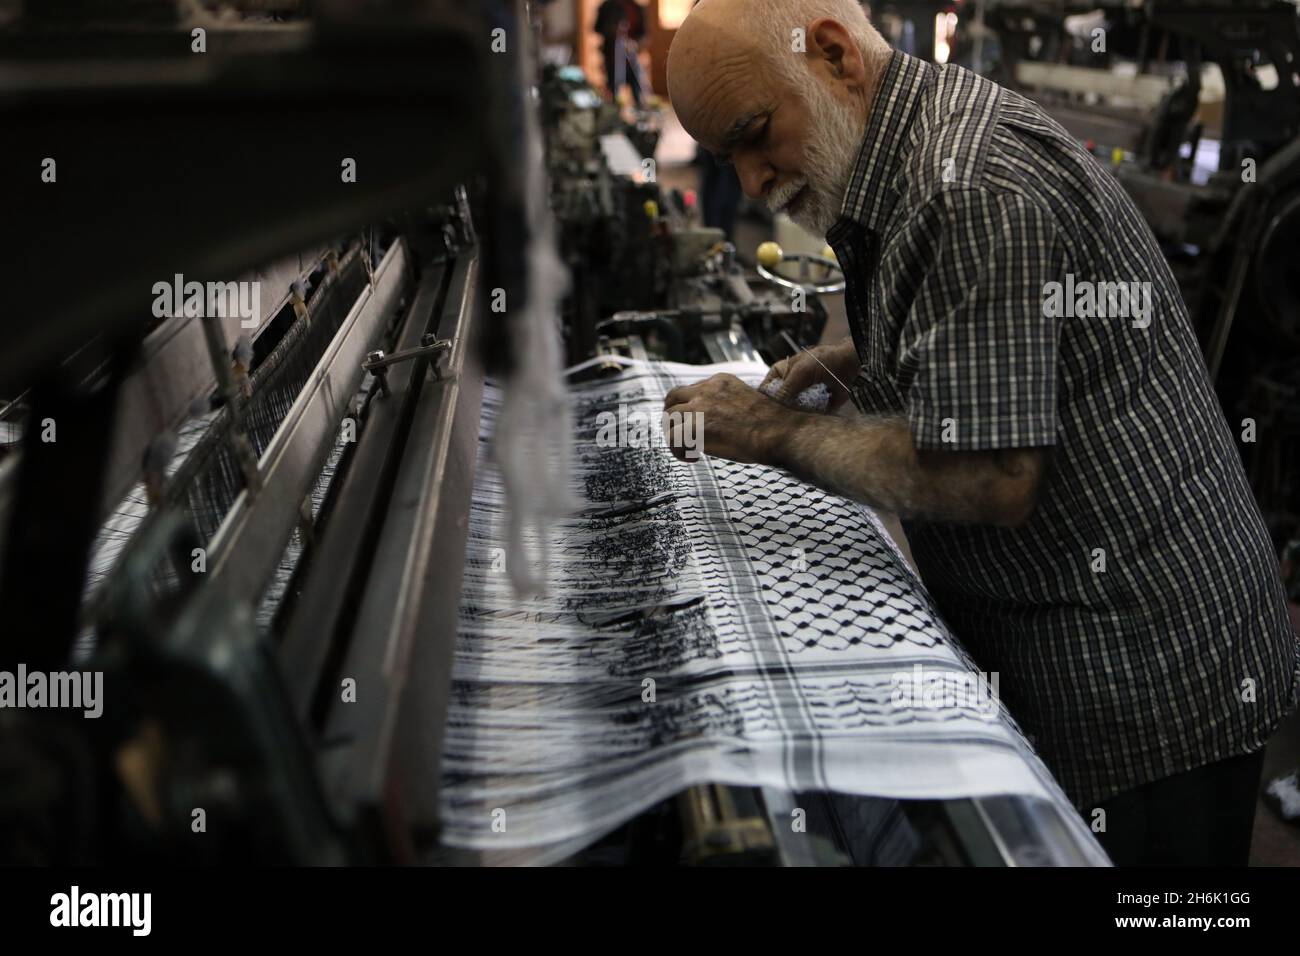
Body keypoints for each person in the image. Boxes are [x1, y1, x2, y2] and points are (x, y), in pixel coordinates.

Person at [662, 0, 1300, 866]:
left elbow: (990, 474)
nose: (749, 182)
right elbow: (993, 317)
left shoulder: (966, 184)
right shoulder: (914, 138)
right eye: (726, 156)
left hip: (1141, 668)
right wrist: (866, 355)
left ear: (834, 54)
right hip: (1103, 628)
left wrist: (770, 432)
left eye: (754, 133)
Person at [594, 0, 646, 107]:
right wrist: (612, 31)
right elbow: (597, 27)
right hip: (612, 57)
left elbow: (644, 33)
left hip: (631, 59)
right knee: (613, 91)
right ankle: (614, 115)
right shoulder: (607, 6)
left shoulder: (636, 8)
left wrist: (635, 43)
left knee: (637, 90)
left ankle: (639, 113)